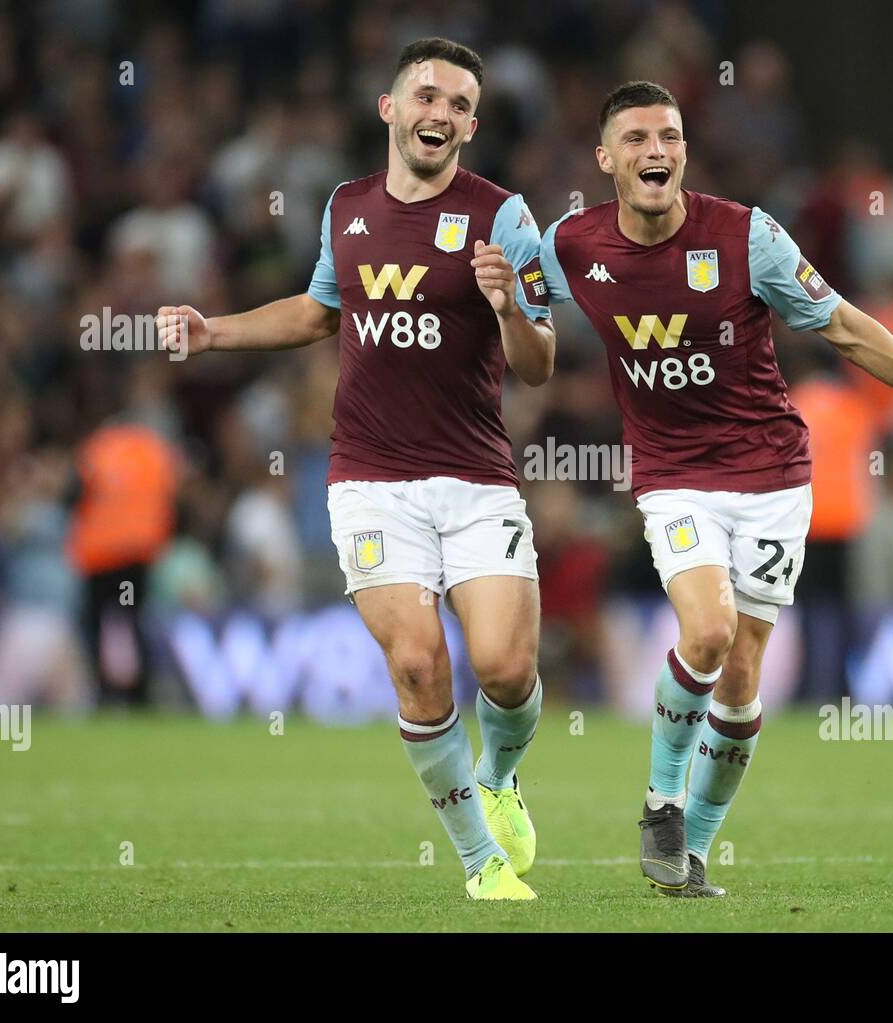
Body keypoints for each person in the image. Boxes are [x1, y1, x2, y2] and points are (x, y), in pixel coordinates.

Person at [539, 81, 893, 896]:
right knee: (705, 631)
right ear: (605, 159)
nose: (654, 150)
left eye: (667, 135)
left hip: (771, 476)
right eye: (634, 139)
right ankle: (661, 801)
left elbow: (841, 324)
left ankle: (689, 852)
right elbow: (501, 306)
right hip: (674, 478)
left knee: (739, 682)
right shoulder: (571, 245)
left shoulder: (746, 237)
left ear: (684, 151)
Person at [157, 39, 555, 901]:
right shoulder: (346, 206)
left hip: (476, 476)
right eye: (426, 95)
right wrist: (214, 330)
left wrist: (509, 308)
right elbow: (316, 310)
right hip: (369, 479)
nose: (438, 113)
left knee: (506, 669)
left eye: (457, 104)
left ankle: (500, 774)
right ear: (390, 107)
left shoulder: (506, 217)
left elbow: (538, 361)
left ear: (472, 126)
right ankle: (481, 861)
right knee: (416, 664)